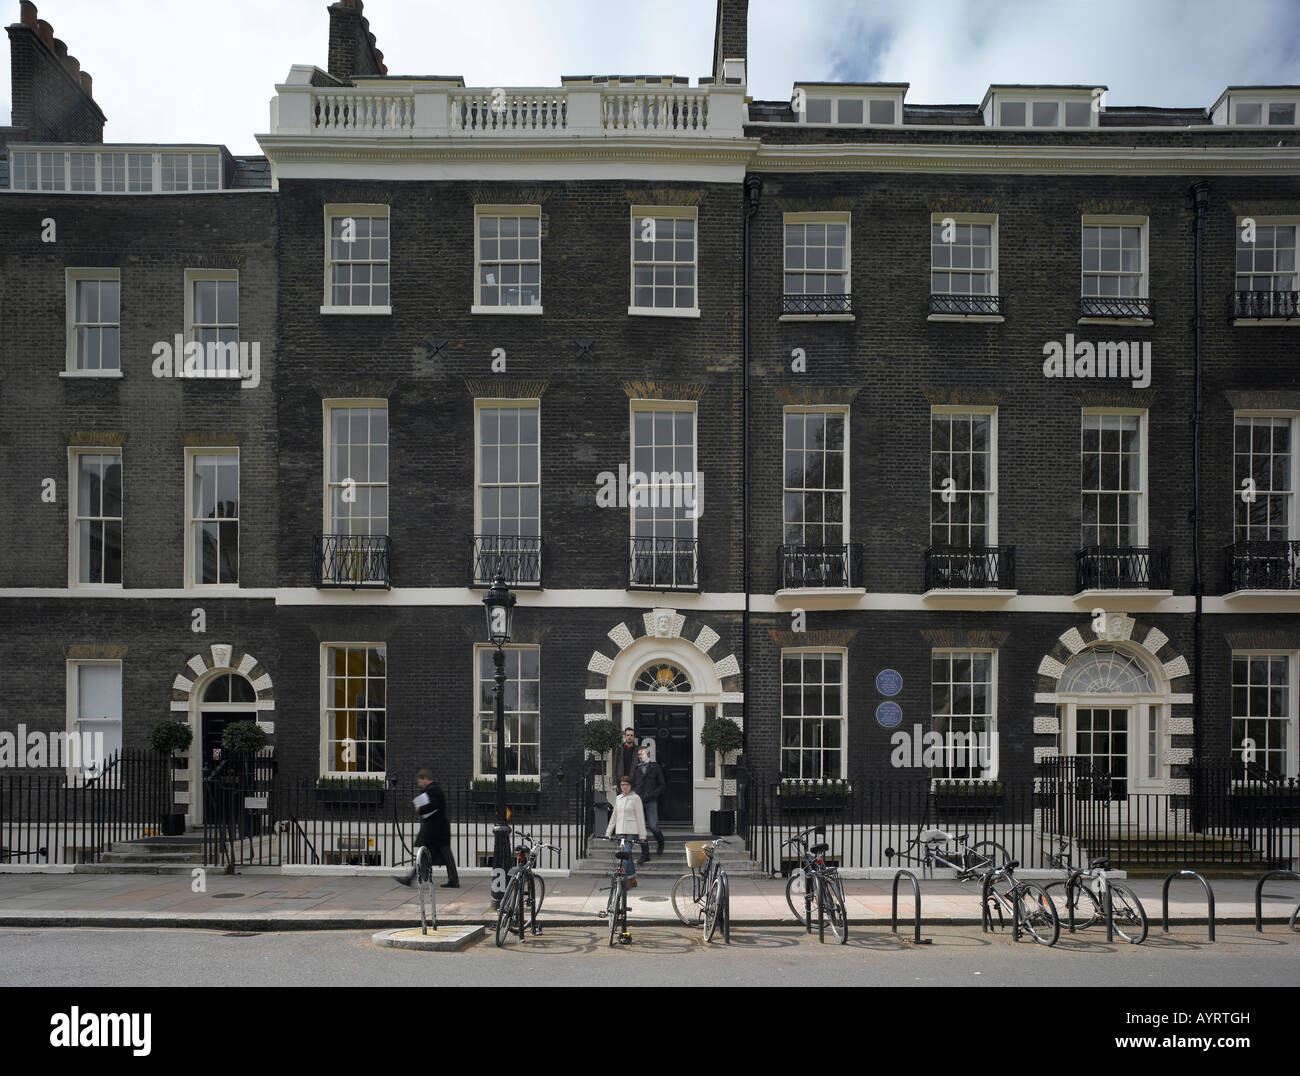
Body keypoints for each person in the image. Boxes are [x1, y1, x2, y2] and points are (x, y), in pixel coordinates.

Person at [396, 768, 460, 888]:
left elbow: (434, 805)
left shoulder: (433, 789)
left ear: (425, 779)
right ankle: (451, 879)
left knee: (428, 852)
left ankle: (412, 878)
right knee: (442, 854)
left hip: (435, 829)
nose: (419, 784)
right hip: (438, 828)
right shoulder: (434, 789)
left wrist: (420, 809)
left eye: (420, 781)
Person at [604, 775, 647, 887]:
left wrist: (643, 834)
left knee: (626, 854)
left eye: (626, 785)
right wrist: (608, 833)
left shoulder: (636, 798)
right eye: (622, 784)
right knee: (627, 856)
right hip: (620, 831)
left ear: (630, 786)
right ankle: (632, 878)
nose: (624, 787)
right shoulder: (618, 798)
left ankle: (628, 880)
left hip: (632, 831)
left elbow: (640, 816)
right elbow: (614, 816)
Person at [632, 744, 665, 863]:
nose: (641, 756)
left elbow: (662, 785)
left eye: (643, 754)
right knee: (641, 829)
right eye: (639, 754)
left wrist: (653, 795)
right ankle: (645, 854)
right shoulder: (636, 769)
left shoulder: (655, 767)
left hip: (651, 801)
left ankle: (661, 842)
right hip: (639, 802)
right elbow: (634, 785)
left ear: (649, 755)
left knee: (653, 826)